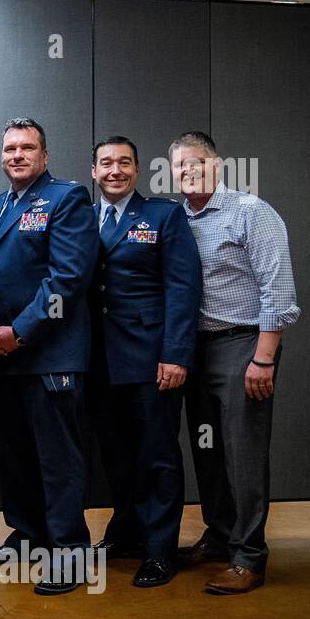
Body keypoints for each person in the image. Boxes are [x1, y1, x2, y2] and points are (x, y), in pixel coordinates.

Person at [0, 117, 99, 594]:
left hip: (50, 355)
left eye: (27, 148)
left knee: (57, 458)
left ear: (44, 156)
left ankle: (69, 551)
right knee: (15, 453)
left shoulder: (67, 199)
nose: (17, 156)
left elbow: (66, 279)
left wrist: (19, 332)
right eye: (9, 150)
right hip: (3, 356)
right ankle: (28, 534)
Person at [171, 131, 300, 595]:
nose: (188, 171)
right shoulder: (177, 219)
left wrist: (263, 359)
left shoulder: (251, 213)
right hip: (195, 347)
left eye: (197, 162)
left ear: (218, 165)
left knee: (242, 451)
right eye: (180, 165)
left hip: (242, 344)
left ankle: (249, 555)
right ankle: (221, 534)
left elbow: (278, 291)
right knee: (207, 450)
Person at [85, 136, 202, 588]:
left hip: (152, 359)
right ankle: (126, 532)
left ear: (137, 170)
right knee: (116, 455)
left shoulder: (163, 215)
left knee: (156, 456)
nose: (115, 170)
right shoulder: (82, 219)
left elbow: (183, 289)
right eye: (106, 163)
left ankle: (159, 550)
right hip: (97, 362)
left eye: (124, 163)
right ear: (93, 171)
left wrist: (176, 355)